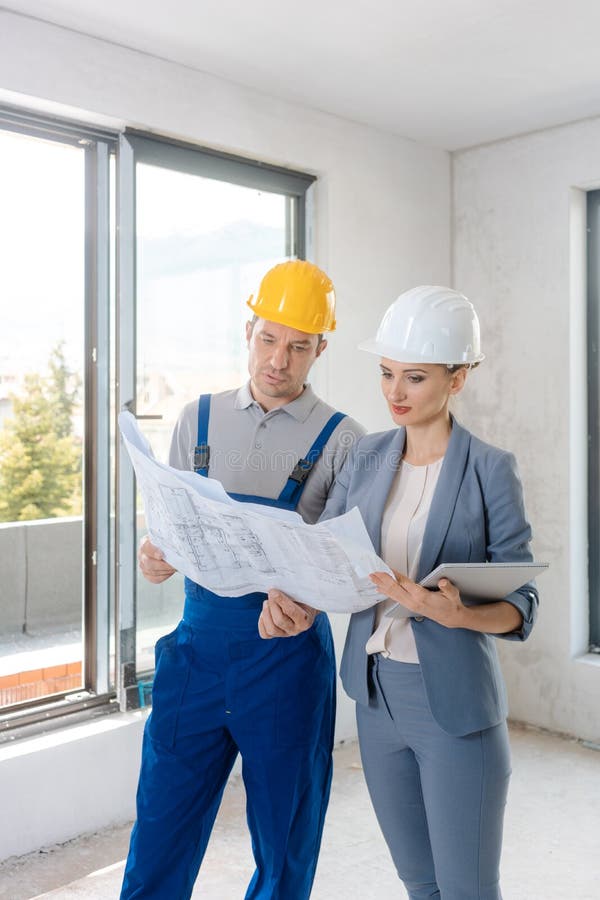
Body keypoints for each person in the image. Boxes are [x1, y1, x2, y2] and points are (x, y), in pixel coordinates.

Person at [260, 285, 539, 900]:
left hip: (454, 710)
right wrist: (291, 598)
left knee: (466, 889)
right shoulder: (365, 455)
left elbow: (523, 604)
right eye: (386, 374)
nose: (394, 393)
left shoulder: (491, 468)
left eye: (414, 377)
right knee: (420, 884)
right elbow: (326, 552)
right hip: (375, 696)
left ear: (458, 378)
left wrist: (456, 612)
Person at [119, 259, 365, 900]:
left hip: (283, 661)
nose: (278, 360)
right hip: (194, 655)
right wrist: (155, 554)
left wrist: (308, 602)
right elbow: (166, 530)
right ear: (248, 329)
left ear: (320, 349)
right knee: (161, 829)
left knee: (285, 842)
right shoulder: (193, 420)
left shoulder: (344, 441)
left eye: (298, 346)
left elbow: (344, 561)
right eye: (268, 338)